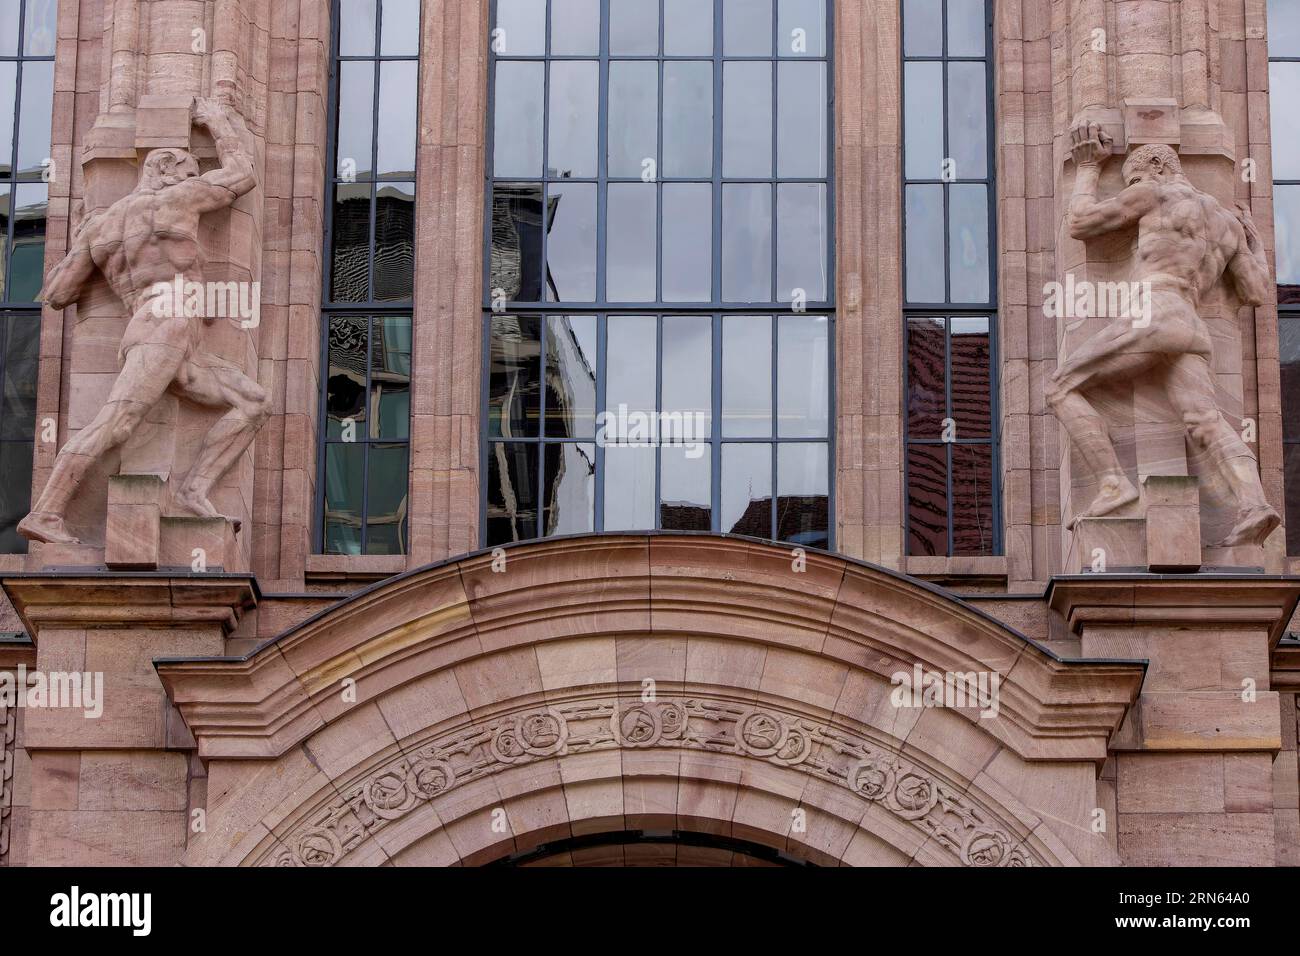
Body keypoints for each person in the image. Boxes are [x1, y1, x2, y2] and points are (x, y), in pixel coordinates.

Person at [18, 98, 268, 545]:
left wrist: (81, 235)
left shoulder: (102, 226)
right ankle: (47, 512)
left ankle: (193, 491)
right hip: (167, 324)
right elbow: (241, 175)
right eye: (190, 172)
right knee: (117, 423)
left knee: (253, 402)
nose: (195, 180)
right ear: (167, 170)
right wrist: (217, 123)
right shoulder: (178, 198)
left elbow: (57, 294)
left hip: (159, 330)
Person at [1046, 122, 1280, 548]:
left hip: (1154, 311)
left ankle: (1114, 483)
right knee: (1204, 420)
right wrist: (1255, 242)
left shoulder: (1154, 191)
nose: (1131, 186)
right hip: (1191, 326)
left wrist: (1086, 168)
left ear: (1154, 165)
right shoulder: (1226, 222)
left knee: (1060, 387)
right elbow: (1255, 291)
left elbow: (1081, 223)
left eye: (1132, 178)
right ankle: (1253, 501)